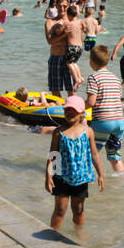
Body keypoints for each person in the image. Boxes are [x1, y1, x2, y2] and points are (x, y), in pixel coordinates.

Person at [46, 95, 104, 231]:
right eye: (67, 110)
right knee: (60, 209)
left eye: (73, 110)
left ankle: (78, 234)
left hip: (81, 178)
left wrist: (101, 174)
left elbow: (94, 154)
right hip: (61, 178)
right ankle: (53, 233)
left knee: (78, 210)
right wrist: (48, 176)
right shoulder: (58, 132)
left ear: (82, 112)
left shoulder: (88, 132)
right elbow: (53, 154)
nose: (69, 113)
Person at [86, 45, 124, 175]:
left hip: (103, 122)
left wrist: (80, 107)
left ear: (91, 61)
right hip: (119, 121)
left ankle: (88, 179)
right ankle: (122, 178)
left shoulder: (94, 77)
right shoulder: (116, 78)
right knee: (114, 153)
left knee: (90, 152)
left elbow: (91, 102)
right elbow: (117, 99)